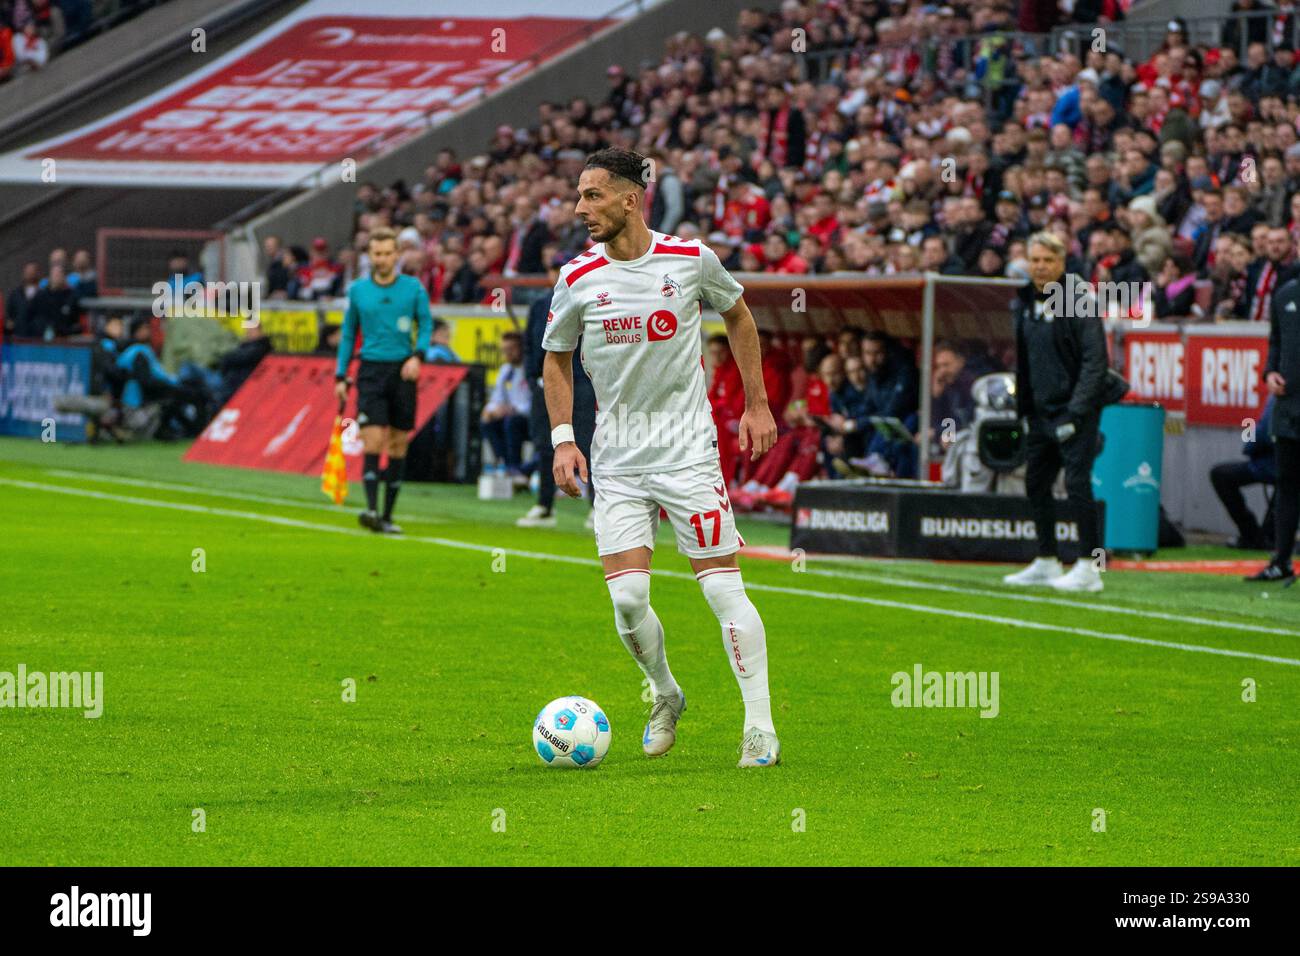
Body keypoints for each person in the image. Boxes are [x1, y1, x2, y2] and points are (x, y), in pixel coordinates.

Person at [542, 147, 781, 767]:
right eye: (579, 195)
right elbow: (556, 358)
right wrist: (562, 438)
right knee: (627, 600)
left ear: (630, 198)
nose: (580, 208)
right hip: (617, 461)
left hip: (687, 455)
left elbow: (739, 314)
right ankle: (667, 693)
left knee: (724, 589)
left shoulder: (691, 259)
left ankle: (760, 727)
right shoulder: (576, 278)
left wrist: (757, 404)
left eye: (592, 195)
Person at [1004, 232, 1109, 593]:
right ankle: (1047, 559)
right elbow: (1026, 361)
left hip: (1074, 411)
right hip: (1040, 413)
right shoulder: (1026, 302)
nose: (1040, 267)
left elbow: (1096, 362)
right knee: (1036, 482)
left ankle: (1089, 566)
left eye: (1047, 260)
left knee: (1078, 483)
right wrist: (1025, 408)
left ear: (1062, 263)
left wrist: (1077, 411)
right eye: (1034, 260)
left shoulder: (1079, 299)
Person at [334, 227, 433, 535]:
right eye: (377, 253)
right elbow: (349, 333)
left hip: (402, 370)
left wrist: (418, 355)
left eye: (388, 253)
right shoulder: (358, 291)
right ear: (370, 256)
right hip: (370, 371)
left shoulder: (414, 288)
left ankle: (387, 515)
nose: (383, 258)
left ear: (397, 255)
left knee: (398, 442)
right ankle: (371, 509)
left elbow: (426, 324)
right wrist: (341, 374)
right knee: (373, 439)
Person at [518, 250, 596, 528]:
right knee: (544, 444)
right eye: (552, 268)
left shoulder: (585, 300)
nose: (554, 273)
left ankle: (596, 506)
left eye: (559, 268)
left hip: (581, 382)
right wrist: (533, 376)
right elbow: (529, 345)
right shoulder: (540, 305)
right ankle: (544, 505)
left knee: (588, 443)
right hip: (546, 383)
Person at [1246, 268, 1300, 582]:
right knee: (1286, 486)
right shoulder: (1285, 294)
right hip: (1289, 409)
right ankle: (1281, 561)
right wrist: (1269, 373)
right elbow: (1275, 343)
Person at [1212, 397, 1276, 551]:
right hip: (1273, 463)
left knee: (1221, 476)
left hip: (1276, 464)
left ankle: (1258, 536)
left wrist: (1250, 448)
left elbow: (1262, 431)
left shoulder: (1280, 392)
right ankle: (1263, 536)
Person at [480, 331, 531, 481]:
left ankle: (515, 467)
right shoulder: (506, 370)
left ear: (521, 348)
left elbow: (535, 401)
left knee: (511, 422)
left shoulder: (530, 370)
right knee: (487, 423)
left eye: (511, 349)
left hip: (528, 418)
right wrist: (489, 411)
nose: (507, 354)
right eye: (504, 350)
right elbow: (497, 397)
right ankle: (506, 464)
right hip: (511, 416)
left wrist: (513, 410)